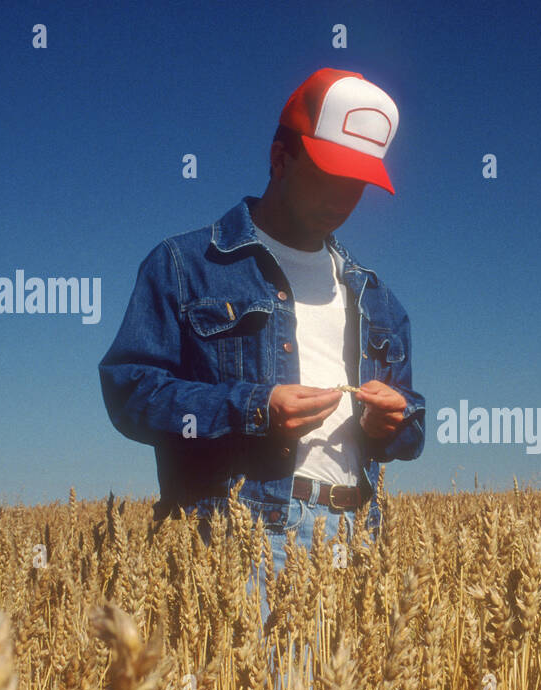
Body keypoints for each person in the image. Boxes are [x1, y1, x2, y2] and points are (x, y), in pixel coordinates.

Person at [98, 67, 425, 648]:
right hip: (243, 539)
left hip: (359, 538)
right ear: (281, 157)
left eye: (358, 184)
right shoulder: (184, 265)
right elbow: (129, 391)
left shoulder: (377, 297)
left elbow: (410, 423)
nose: (342, 199)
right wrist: (253, 406)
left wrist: (395, 419)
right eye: (329, 174)